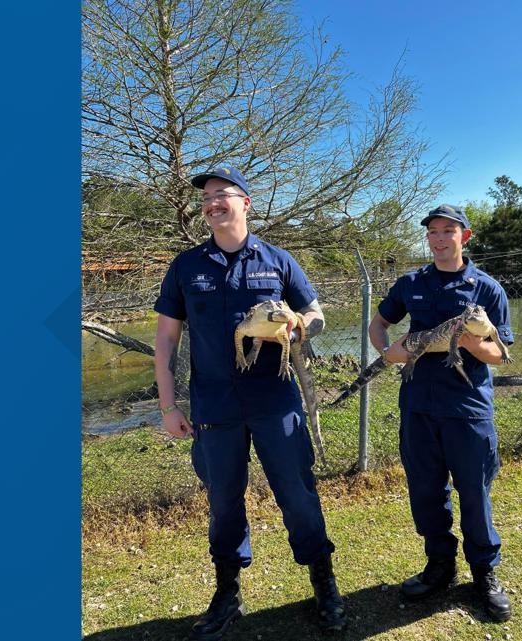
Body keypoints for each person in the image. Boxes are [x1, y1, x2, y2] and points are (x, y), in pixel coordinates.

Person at [153, 165, 346, 639]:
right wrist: (168, 406)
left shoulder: (277, 261)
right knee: (223, 502)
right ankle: (227, 593)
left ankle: (323, 582)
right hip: (214, 408)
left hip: (275, 403)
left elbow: (316, 313)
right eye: (207, 198)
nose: (213, 203)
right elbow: (165, 342)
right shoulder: (186, 266)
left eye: (223, 195)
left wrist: (299, 326)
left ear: (246, 203)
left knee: (298, 495)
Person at [368, 204, 516, 622]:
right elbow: (378, 325)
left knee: (474, 492)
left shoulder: (487, 289)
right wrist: (387, 352)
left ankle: (484, 573)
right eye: (432, 232)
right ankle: (439, 566)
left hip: (467, 409)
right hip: (418, 406)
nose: (439, 238)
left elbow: (501, 355)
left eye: (448, 231)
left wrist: (467, 341)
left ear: (464, 237)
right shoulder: (411, 283)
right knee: (426, 491)